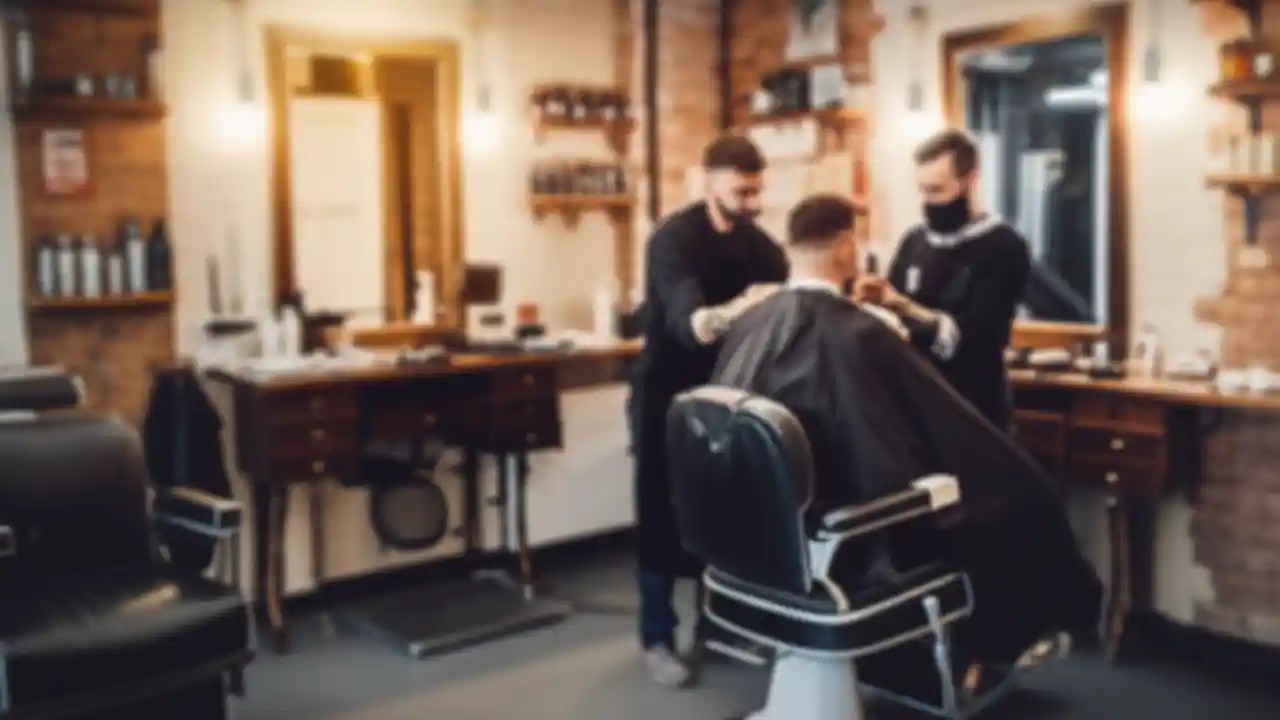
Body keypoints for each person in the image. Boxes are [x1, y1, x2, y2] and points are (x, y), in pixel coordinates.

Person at [712, 194, 1101, 687]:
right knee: (1018, 494)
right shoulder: (862, 334)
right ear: (846, 247)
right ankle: (992, 646)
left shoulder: (753, 322)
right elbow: (914, 444)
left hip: (770, 534)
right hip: (856, 531)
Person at [627, 134, 789, 687]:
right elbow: (691, 323)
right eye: (742, 190)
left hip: (731, 391)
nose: (751, 202)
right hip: (667, 395)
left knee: (722, 512)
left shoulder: (763, 249)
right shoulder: (673, 241)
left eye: (757, 190)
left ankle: (717, 626)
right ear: (710, 180)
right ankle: (657, 636)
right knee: (661, 513)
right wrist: (740, 309)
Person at [857, 129, 1031, 429]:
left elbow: (977, 337)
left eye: (937, 190)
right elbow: (892, 315)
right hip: (916, 396)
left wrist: (905, 307)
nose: (928, 201)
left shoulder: (1003, 247)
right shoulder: (914, 241)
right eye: (922, 190)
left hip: (973, 402)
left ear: (970, 181)